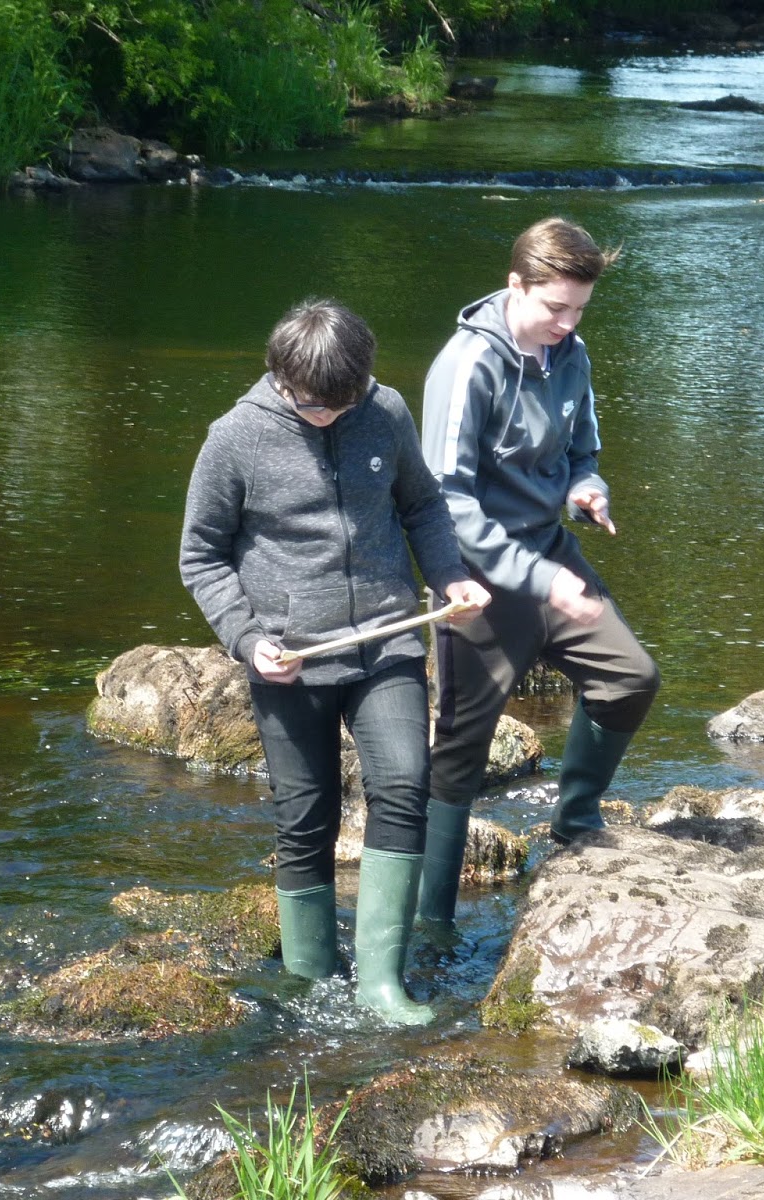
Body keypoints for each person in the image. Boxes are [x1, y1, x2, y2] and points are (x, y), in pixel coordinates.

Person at [180, 299, 490, 1025]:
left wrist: (449, 576)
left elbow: (422, 507)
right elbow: (201, 555)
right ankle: (309, 973)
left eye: (343, 402)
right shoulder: (235, 439)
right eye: (315, 405)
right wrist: (248, 639)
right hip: (288, 656)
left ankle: (382, 984)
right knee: (305, 817)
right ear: (281, 378)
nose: (329, 416)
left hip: (386, 638)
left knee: (405, 784)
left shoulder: (385, 411)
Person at [417, 216, 660, 927]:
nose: (567, 322)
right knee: (459, 752)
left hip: (549, 553)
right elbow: (446, 502)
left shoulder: (571, 355)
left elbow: (581, 452)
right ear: (514, 284)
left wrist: (588, 493)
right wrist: (537, 577)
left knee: (628, 678)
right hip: (476, 578)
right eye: (555, 307)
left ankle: (575, 822)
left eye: (579, 309)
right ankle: (432, 925)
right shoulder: (467, 366)